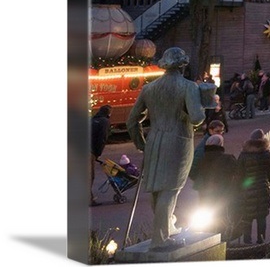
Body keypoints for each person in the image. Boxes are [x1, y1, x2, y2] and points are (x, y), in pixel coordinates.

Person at [126, 47, 206, 251]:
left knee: (157, 187)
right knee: (170, 189)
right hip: (178, 140)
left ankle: (168, 224)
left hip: (154, 140)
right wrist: (205, 106)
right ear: (182, 65)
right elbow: (197, 117)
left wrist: (141, 143)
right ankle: (160, 238)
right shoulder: (188, 86)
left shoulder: (149, 88)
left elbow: (131, 121)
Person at [192, 134, 238, 239]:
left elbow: (196, 172)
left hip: (205, 194)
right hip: (223, 193)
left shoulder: (203, 159)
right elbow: (237, 175)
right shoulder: (228, 159)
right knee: (222, 218)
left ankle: (207, 239)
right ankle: (223, 241)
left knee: (207, 218)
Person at [235, 128, 270, 244]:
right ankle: (261, 241)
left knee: (247, 217)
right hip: (263, 187)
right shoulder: (267, 154)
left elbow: (239, 173)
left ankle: (247, 242)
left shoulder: (244, 154)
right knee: (262, 217)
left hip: (247, 189)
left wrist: (239, 188)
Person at [90, 105, 112, 205]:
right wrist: (97, 153)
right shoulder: (105, 121)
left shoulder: (92, 119)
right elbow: (102, 139)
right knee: (90, 176)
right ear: (108, 113)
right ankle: (88, 200)